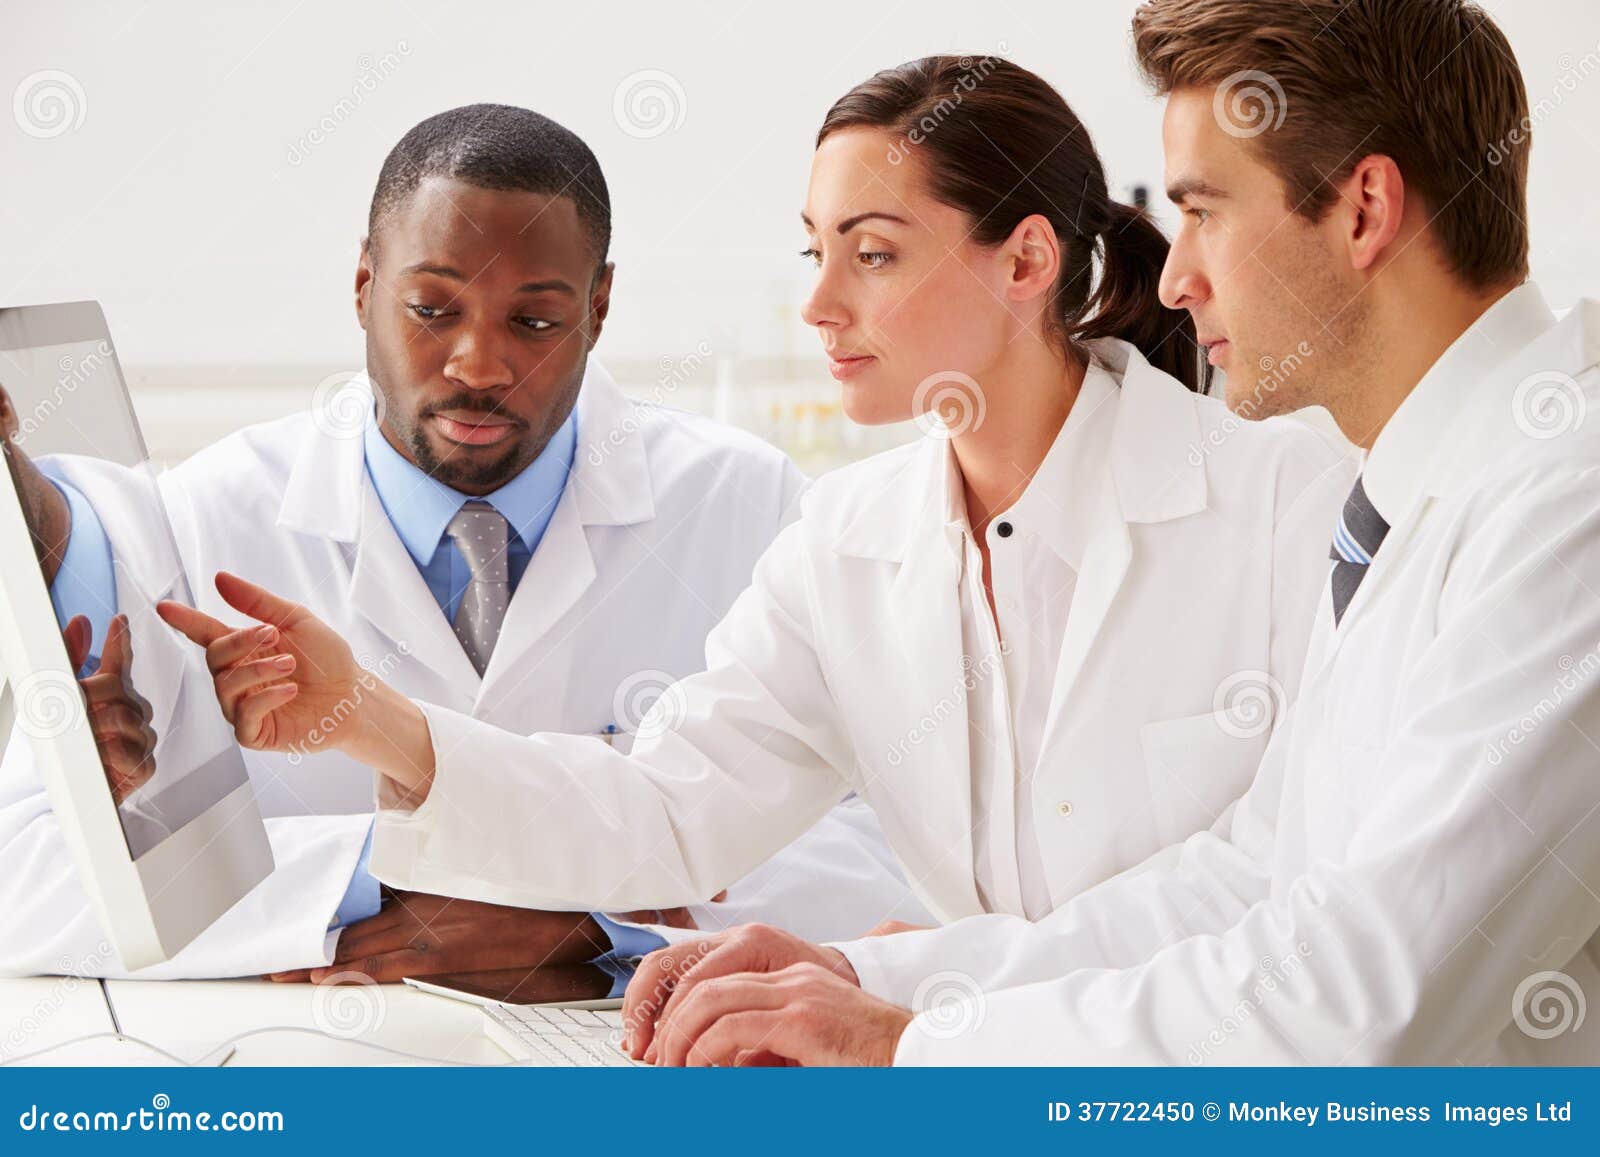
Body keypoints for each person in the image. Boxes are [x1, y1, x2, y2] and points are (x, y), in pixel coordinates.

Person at [164, 59, 1353, 1006]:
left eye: (873, 253)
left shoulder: (1284, 501)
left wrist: (886, 978)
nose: (820, 304)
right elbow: (665, 813)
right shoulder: (850, 541)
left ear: (1026, 260)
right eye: (816, 249)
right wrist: (367, 715)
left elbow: (1286, 898)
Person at [606, 0, 1600, 1066]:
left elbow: (1363, 997)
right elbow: (1248, 877)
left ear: (1363, 210)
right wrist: (872, 979)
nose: (1174, 279)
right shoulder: (1420, 500)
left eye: (1205, 211)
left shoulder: (1564, 505)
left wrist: (914, 1049)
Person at [0, 104, 927, 980]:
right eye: (431, 309)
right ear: (364, 285)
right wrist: (401, 882)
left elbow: (898, 842)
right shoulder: (197, 519)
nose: (480, 366)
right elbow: (20, 877)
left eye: (535, 321)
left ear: (598, 309)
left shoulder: (745, 502)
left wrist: (598, 932)